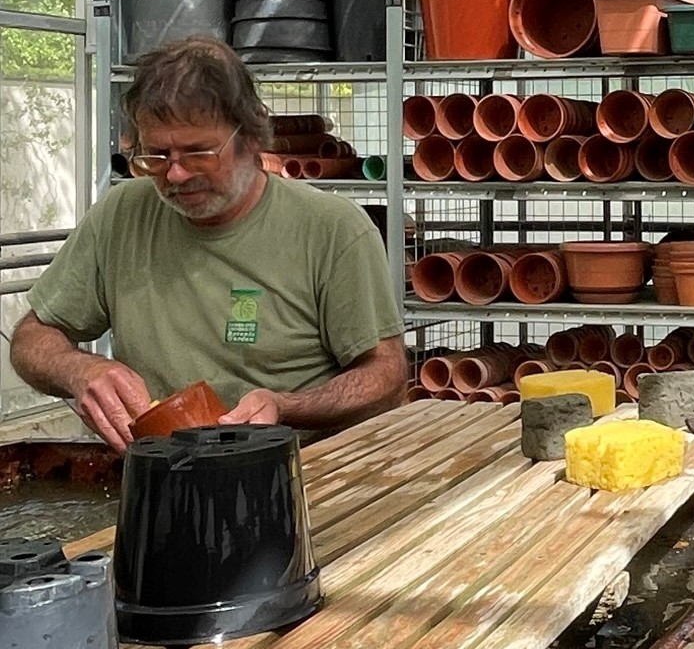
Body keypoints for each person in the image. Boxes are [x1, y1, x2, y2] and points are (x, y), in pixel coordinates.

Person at [13, 37, 408, 452]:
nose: (176, 174)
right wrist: (79, 369)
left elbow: (386, 374)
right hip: (162, 475)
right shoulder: (122, 214)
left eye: (198, 153)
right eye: (157, 155)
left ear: (252, 136)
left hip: (295, 477)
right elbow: (31, 338)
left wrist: (286, 406)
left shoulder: (332, 229)